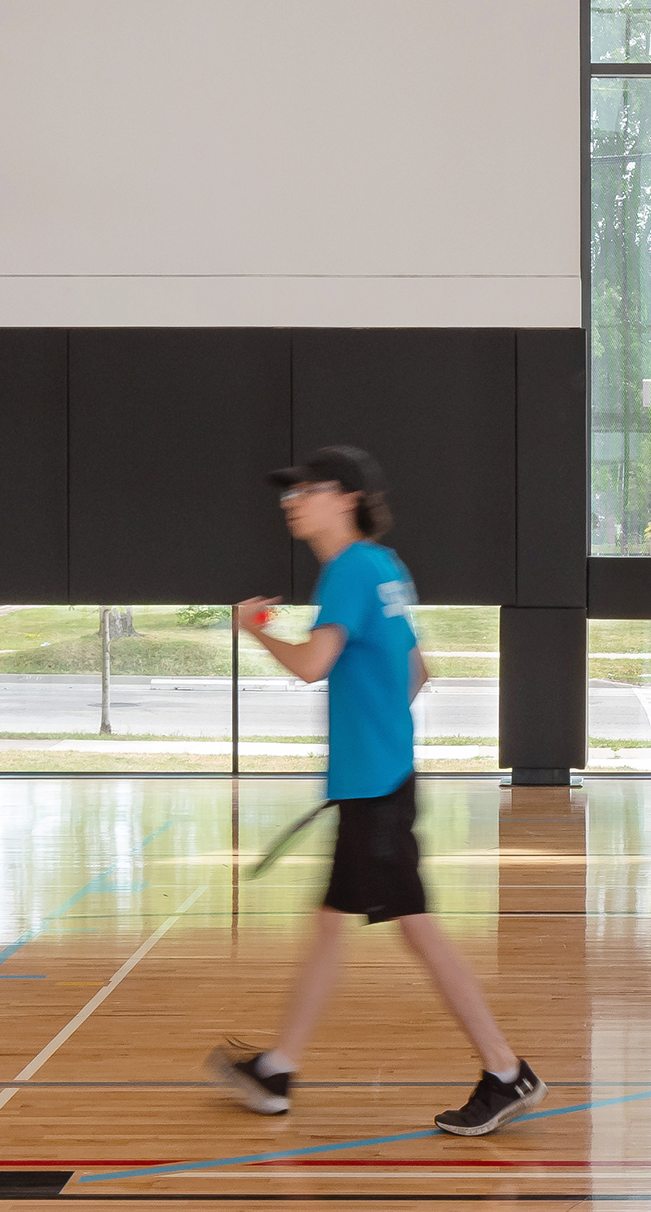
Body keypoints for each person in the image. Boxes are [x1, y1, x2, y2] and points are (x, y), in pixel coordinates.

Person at [206, 445, 544, 1138]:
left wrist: (257, 627)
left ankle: (507, 1070)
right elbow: (417, 669)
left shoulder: (351, 569)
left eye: (304, 488)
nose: (291, 500)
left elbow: (312, 664)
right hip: (379, 782)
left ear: (345, 496)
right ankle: (278, 1067)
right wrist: (379, 736)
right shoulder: (386, 569)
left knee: (419, 931)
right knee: (330, 924)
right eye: (288, 491)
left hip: (375, 792)